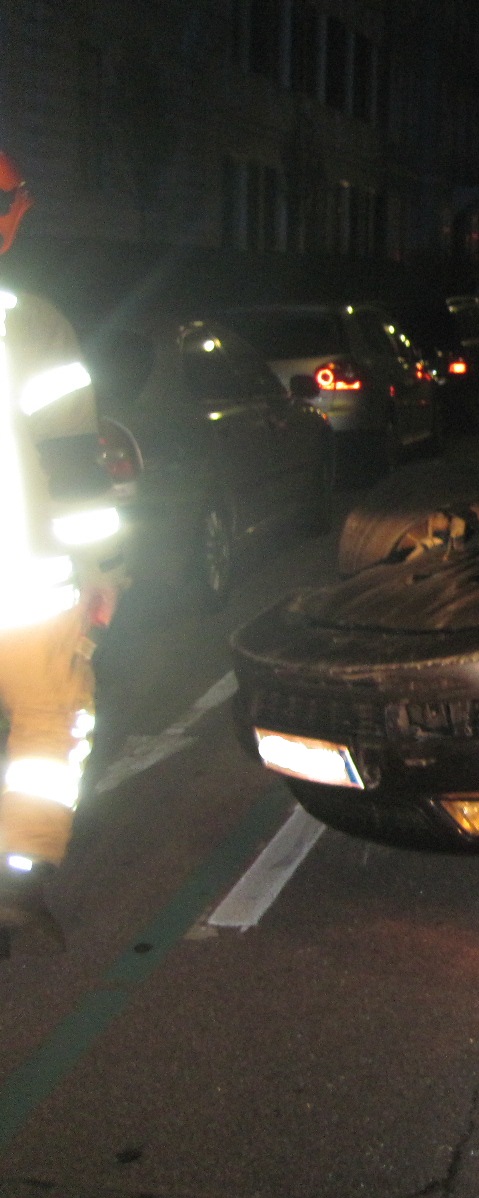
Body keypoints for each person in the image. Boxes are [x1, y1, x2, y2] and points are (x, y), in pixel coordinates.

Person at [0, 150, 123, 949]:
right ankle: (15, 887)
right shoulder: (29, 323)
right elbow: (77, 465)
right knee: (47, 726)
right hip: (26, 588)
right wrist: (101, 568)